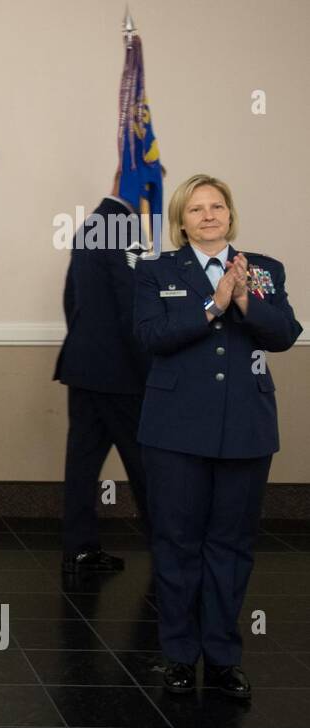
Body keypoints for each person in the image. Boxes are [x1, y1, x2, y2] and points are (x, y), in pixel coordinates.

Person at [135, 174, 301, 699]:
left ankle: (224, 657)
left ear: (230, 213)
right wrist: (212, 306)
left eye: (218, 206)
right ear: (181, 221)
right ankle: (180, 655)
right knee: (177, 544)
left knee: (230, 546)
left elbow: (285, 336)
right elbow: (150, 337)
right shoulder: (157, 270)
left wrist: (246, 300)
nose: (209, 215)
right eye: (197, 208)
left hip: (245, 429)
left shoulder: (264, 269)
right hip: (174, 431)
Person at [53, 181, 153, 573]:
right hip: (121, 373)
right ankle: (167, 549)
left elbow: (70, 298)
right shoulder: (122, 226)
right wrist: (150, 369)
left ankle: (79, 548)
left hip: (84, 366)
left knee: (82, 462)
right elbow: (132, 308)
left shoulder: (92, 224)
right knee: (146, 463)